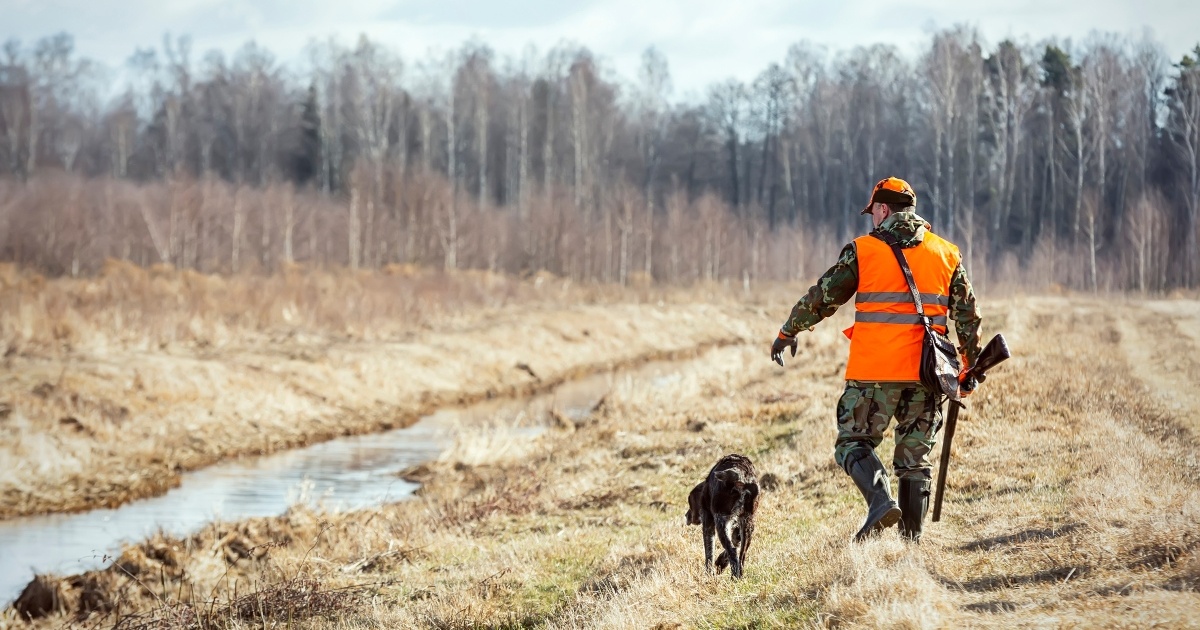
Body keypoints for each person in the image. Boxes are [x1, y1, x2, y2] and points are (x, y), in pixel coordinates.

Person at [770, 177, 983, 542]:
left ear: (883, 209)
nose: (872, 219)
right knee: (914, 460)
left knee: (853, 442)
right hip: (928, 375)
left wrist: (789, 330)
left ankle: (880, 501)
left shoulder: (863, 250)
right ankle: (910, 548)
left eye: (873, 212)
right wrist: (968, 368)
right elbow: (967, 317)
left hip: (873, 374)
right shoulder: (947, 253)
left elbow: (823, 297)